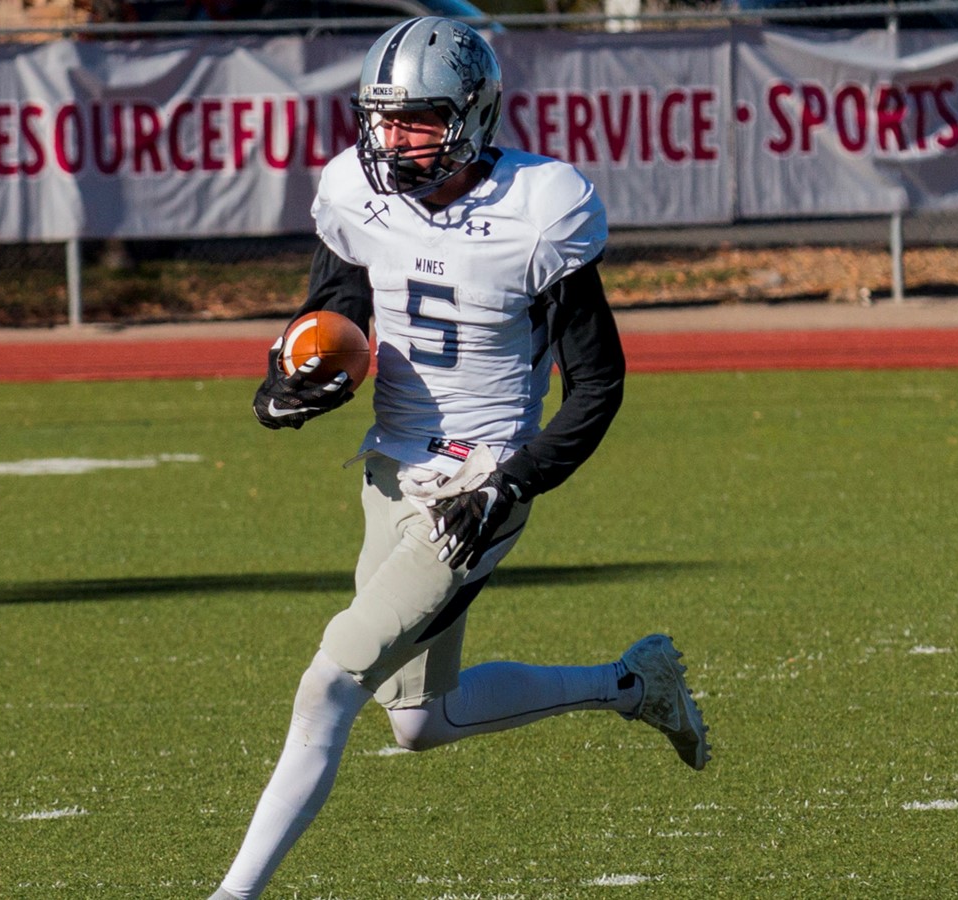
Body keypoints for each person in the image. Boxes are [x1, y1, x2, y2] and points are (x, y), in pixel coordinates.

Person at [211, 17, 709, 899]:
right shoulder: (356, 193)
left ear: (475, 115)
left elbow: (596, 389)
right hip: (389, 472)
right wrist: (292, 380)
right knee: (420, 722)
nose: (394, 139)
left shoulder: (540, 209)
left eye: (419, 120)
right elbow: (333, 315)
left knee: (329, 683)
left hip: (476, 486)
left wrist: (513, 481)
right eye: (383, 118)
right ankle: (636, 686)